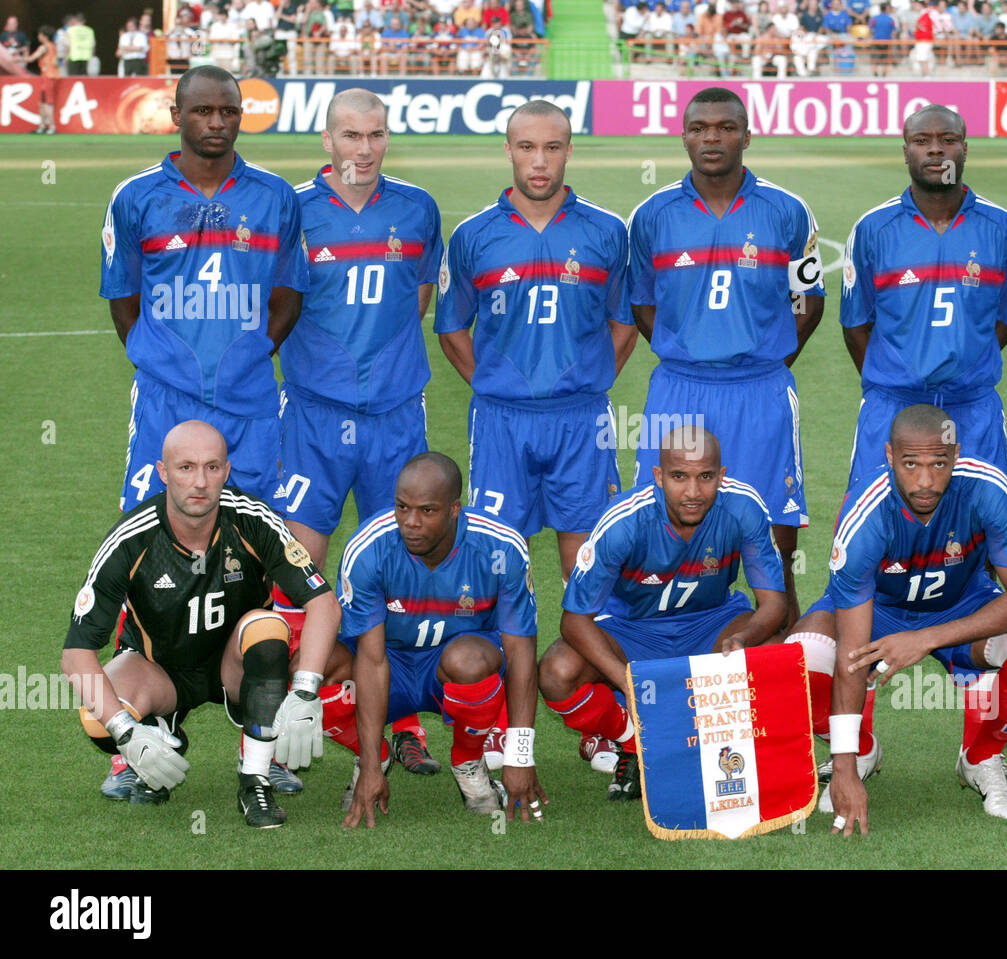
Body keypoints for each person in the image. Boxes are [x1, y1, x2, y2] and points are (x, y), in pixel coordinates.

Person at [435, 100, 635, 769]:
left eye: (552, 147)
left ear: (570, 149)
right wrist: (495, 384)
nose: (539, 161)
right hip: (501, 425)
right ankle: (490, 726)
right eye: (526, 147)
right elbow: (451, 328)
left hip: (582, 423)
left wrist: (585, 380)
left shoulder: (607, 231)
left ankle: (601, 722)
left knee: (589, 573)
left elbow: (626, 321)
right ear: (509, 151)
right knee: (494, 568)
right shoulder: (474, 236)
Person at [61, 421, 341, 827]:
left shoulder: (252, 519)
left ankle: (255, 779)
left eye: (212, 468)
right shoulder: (130, 538)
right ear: (162, 472)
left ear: (227, 472)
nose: (200, 482)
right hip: (160, 669)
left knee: (267, 629)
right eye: (186, 467)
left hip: (236, 663)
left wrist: (305, 691)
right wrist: (125, 732)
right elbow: (76, 656)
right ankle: (157, 735)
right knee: (97, 717)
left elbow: (324, 603)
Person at [280, 88, 444, 774]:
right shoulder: (293, 211)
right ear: (327, 140)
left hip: (396, 419)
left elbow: (421, 299)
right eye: (351, 135)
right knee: (293, 576)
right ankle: (277, 725)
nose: (365, 149)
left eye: (376, 135)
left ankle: (400, 722)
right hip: (314, 419)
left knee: (400, 572)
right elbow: (277, 305)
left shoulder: (416, 208)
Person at [628, 87, 823, 632]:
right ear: (684, 135)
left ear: (746, 134)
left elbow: (808, 302)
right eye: (699, 127)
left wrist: (766, 358)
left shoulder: (787, 211)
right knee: (662, 534)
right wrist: (690, 352)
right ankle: (661, 655)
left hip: (760, 390)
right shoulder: (652, 215)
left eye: (725, 126)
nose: (712, 137)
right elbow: (642, 302)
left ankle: (785, 651)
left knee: (775, 537)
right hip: (679, 389)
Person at [803, 406, 1007, 833]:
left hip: (961, 605)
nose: (924, 480)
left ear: (956, 455)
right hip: (878, 614)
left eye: (939, 463)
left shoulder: (985, 488)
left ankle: (980, 756)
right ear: (889, 456)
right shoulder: (866, 513)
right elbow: (851, 651)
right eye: (910, 464)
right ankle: (859, 752)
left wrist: (926, 638)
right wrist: (842, 769)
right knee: (803, 658)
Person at [100, 65, 308, 514]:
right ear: (177, 116)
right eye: (203, 111)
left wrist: (248, 352)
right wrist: (163, 356)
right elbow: (124, 305)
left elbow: (288, 298)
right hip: (164, 396)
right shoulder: (135, 196)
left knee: (253, 537)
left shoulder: (276, 196)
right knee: (151, 533)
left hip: (249, 395)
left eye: (229, 111)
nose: (217, 122)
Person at [539, 426, 787, 800]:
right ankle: (631, 741)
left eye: (705, 477)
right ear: (658, 476)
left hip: (711, 624)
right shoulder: (624, 522)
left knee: (773, 648)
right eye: (678, 477)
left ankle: (722, 746)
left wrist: (743, 639)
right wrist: (627, 682)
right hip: (632, 630)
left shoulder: (743, 507)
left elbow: (774, 604)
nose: (692, 492)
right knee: (558, 671)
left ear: (722, 476)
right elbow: (574, 620)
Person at [322, 453, 547, 827]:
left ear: (455, 508)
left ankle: (467, 760)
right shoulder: (369, 549)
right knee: (319, 671)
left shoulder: (501, 548)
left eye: (427, 510)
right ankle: (373, 759)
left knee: (471, 661)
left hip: (454, 668)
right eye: (402, 507)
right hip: (388, 666)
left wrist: (519, 755)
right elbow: (373, 660)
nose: (411, 522)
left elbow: (521, 652)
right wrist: (368, 761)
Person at [840, 105, 1007, 493]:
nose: (936, 151)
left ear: (965, 149)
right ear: (906, 151)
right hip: (892, 407)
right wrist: (894, 379)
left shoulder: (1003, 227)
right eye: (922, 141)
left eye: (948, 140)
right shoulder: (874, 228)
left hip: (973, 408)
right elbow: (856, 324)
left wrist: (967, 363)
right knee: (876, 536)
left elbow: (1004, 319)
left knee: (989, 532)